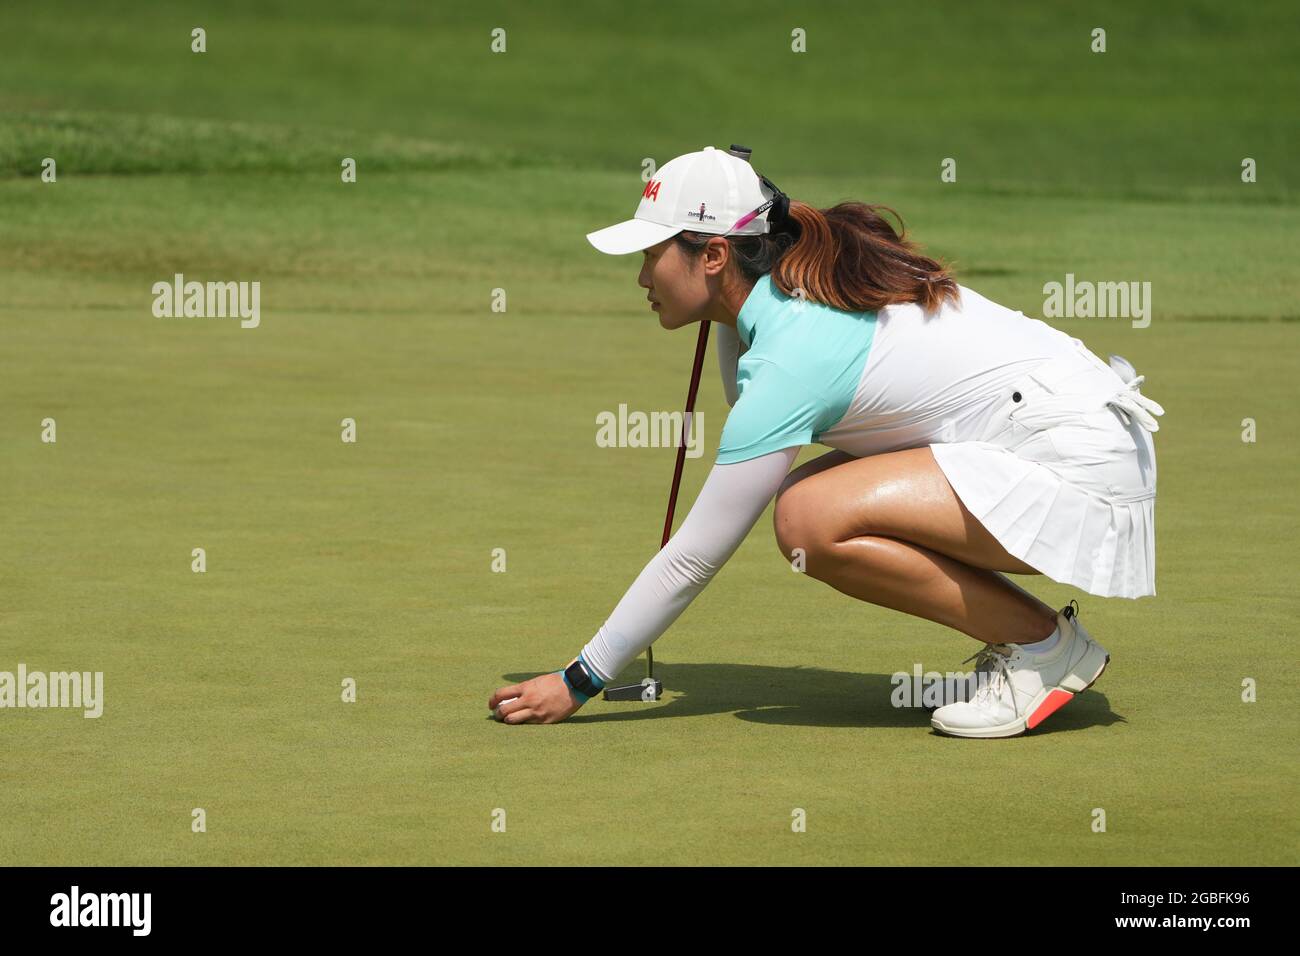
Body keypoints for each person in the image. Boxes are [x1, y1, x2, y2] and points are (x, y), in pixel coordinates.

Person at [487, 145, 1164, 738]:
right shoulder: (780, 298)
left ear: (715, 254)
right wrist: (722, 312)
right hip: (1064, 432)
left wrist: (579, 679)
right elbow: (751, 409)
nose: (640, 278)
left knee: (807, 519)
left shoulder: (792, 352)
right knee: (809, 499)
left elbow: (694, 558)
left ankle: (1043, 647)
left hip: (1077, 467)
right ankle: (1036, 643)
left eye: (651, 256)